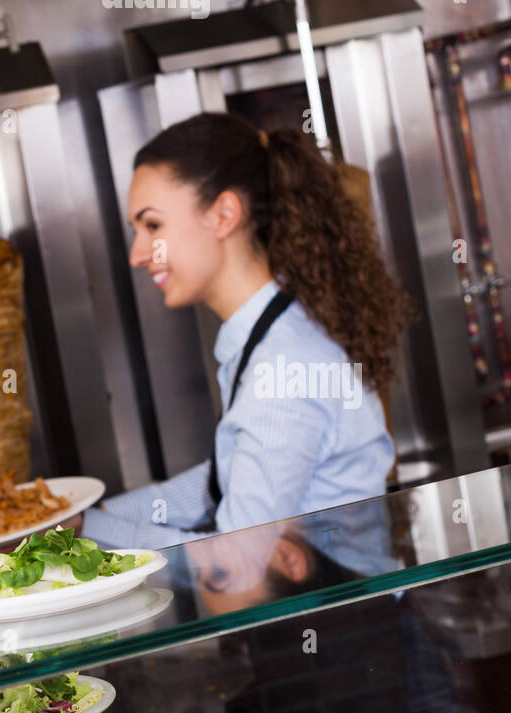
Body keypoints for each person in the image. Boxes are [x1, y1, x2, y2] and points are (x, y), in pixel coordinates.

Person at [77, 112, 406, 551]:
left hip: (345, 619)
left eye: (152, 225)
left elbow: (238, 560)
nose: (138, 254)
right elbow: (227, 475)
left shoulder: (283, 371)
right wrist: (96, 521)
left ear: (224, 214)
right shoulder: (273, 334)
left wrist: (87, 535)